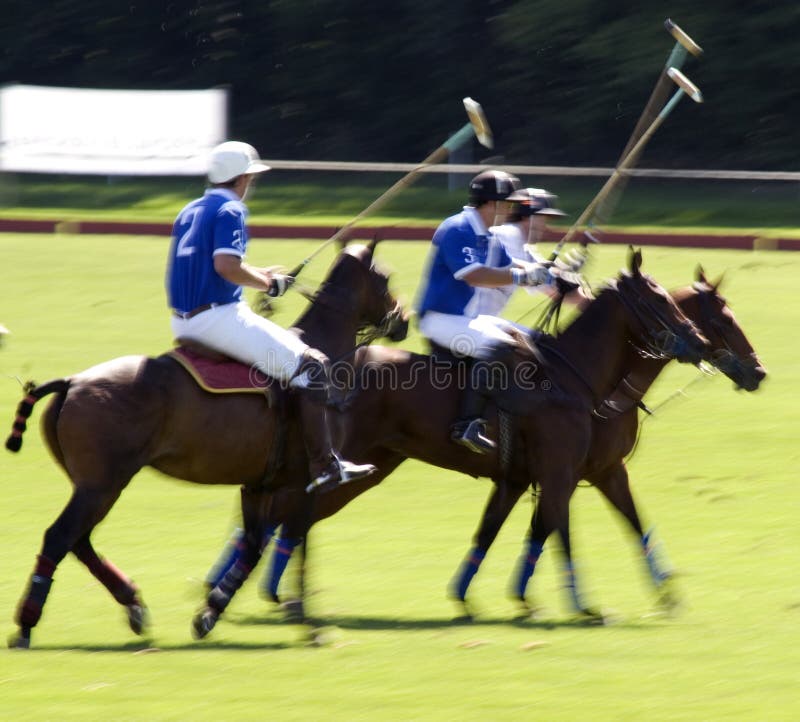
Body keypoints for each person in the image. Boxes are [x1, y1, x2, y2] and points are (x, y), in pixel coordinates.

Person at [166, 140, 375, 491]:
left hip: (184, 319)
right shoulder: (231, 210)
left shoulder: (190, 209)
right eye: (250, 177)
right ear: (240, 179)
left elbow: (213, 266)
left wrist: (265, 274)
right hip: (218, 319)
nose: (251, 184)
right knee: (313, 366)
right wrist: (268, 285)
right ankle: (324, 466)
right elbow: (226, 266)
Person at [416, 170, 572, 454]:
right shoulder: (458, 228)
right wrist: (521, 277)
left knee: (537, 342)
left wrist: (555, 276)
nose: (511, 210)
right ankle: (467, 424)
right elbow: (476, 275)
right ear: (492, 203)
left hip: (469, 318)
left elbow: (515, 264)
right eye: (508, 203)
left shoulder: (487, 236)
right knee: (500, 345)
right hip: (440, 318)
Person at [490, 187, 591, 312]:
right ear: (529, 217)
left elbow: (556, 289)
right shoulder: (507, 235)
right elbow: (540, 277)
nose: (544, 227)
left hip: (484, 319)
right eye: (543, 219)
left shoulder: (525, 247)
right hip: (470, 319)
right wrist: (559, 275)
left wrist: (564, 271)